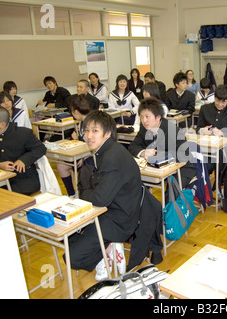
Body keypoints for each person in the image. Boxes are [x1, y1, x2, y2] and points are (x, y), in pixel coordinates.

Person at [69, 110, 162, 275]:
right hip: (116, 208)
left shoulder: (111, 157)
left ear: (108, 133)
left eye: (95, 131)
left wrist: (84, 192)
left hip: (120, 219)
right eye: (86, 130)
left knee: (73, 258)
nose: (89, 136)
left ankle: (109, 247)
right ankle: (109, 245)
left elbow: (99, 199)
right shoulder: (108, 150)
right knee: (71, 236)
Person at [0, 107, 46, 195]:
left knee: (7, 198)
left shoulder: (22, 133)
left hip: (22, 178)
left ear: (2, 124)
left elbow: (41, 148)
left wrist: (23, 160)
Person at [129, 97, 196, 188]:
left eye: (147, 117)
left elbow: (183, 156)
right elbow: (133, 146)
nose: (144, 121)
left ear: (158, 117)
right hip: (157, 168)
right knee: (135, 184)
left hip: (182, 168)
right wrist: (144, 152)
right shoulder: (144, 128)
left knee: (172, 188)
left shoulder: (172, 130)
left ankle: (167, 202)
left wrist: (159, 157)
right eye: (141, 117)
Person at [57, 96, 91, 197]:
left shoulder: (90, 123)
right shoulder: (81, 123)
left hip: (91, 157)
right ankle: (71, 194)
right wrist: (76, 139)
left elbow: (96, 145)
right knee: (61, 165)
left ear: (76, 112)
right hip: (82, 155)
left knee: (63, 166)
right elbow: (83, 142)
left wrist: (83, 157)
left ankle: (80, 194)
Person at [196, 84, 227, 158]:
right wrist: (202, 130)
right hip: (208, 143)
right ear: (214, 97)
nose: (220, 104)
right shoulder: (205, 109)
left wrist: (222, 133)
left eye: (223, 102)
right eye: (217, 101)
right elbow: (198, 128)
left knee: (217, 157)